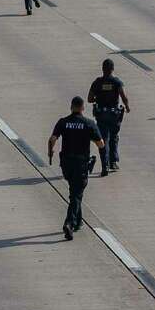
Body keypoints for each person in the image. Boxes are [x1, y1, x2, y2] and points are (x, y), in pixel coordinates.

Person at [48, 96, 105, 240]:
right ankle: (69, 223)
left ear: (71, 107)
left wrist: (50, 152)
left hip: (66, 164)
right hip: (80, 164)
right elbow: (101, 144)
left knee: (75, 192)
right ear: (83, 108)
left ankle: (78, 221)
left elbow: (52, 139)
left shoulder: (63, 122)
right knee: (76, 194)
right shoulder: (88, 123)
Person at [87, 58, 129, 175]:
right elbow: (123, 96)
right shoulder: (116, 82)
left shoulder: (97, 82)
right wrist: (127, 106)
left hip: (101, 115)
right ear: (112, 69)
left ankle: (104, 166)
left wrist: (98, 98)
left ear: (102, 69)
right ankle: (113, 162)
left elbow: (89, 98)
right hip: (114, 115)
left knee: (103, 139)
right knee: (114, 137)